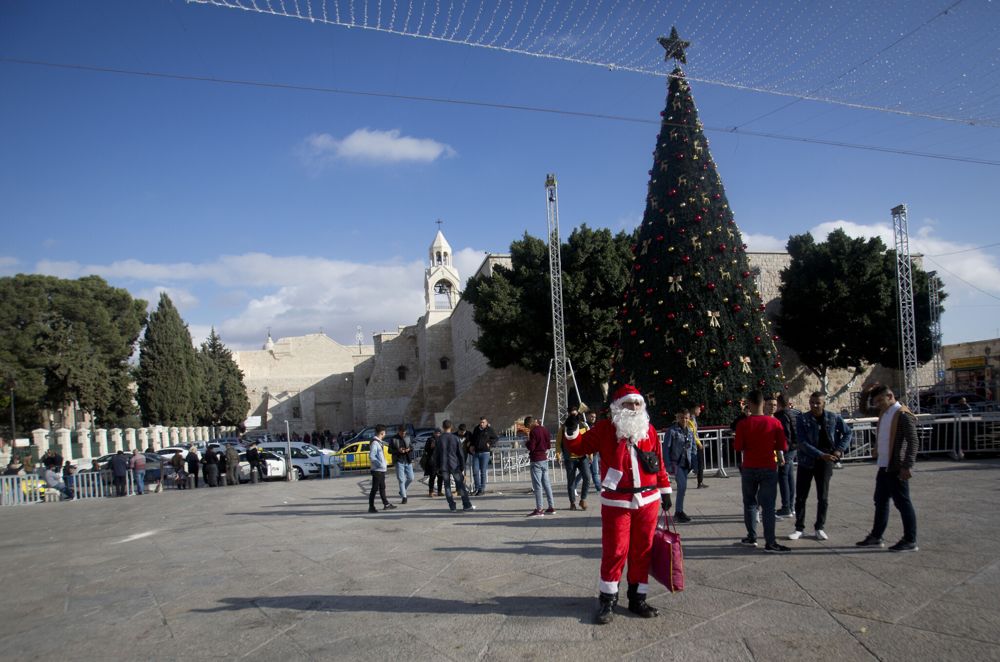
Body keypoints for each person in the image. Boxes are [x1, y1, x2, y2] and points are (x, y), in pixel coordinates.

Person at [564, 384, 672, 624]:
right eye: (628, 403)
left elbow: (659, 464)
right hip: (617, 502)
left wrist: (665, 490)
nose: (633, 408)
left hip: (648, 500)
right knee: (615, 551)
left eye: (637, 403)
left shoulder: (649, 431)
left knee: (642, 551)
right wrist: (571, 430)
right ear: (617, 407)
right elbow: (578, 447)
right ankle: (608, 600)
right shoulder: (604, 430)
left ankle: (637, 599)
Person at [856, 384, 920, 552]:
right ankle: (876, 536)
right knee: (881, 502)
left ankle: (910, 539)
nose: (877, 405)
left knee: (903, 503)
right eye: (875, 402)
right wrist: (866, 393)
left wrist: (907, 465)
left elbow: (913, 441)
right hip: (884, 465)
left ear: (890, 396)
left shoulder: (903, 415)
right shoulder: (884, 412)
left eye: (879, 401)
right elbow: (864, 409)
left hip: (896, 466)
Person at [789, 392, 853, 541]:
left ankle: (819, 527)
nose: (814, 405)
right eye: (812, 402)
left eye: (817, 403)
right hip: (807, 461)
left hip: (826, 461)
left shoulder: (833, 417)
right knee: (801, 496)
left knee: (822, 496)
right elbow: (802, 442)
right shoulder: (802, 419)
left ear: (824, 403)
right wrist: (819, 454)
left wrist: (839, 450)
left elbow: (847, 432)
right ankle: (799, 527)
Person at [734, 390, 790, 553]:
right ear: (763, 403)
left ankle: (751, 536)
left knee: (750, 503)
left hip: (750, 467)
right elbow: (782, 446)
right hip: (768, 467)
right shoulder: (774, 423)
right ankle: (770, 541)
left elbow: (738, 447)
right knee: (768, 506)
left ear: (749, 403)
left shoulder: (743, 424)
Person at [434, 420, 475, 512]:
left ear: (442, 427)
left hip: (444, 465)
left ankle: (452, 506)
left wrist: (437, 467)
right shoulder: (455, 438)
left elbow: (436, 454)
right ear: (451, 427)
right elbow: (460, 454)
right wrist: (462, 466)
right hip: (454, 465)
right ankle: (466, 505)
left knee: (447, 486)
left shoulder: (439, 439)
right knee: (461, 485)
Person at [664, 406, 696, 523]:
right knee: (682, 487)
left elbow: (693, 448)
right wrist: (667, 465)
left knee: (683, 488)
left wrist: (694, 462)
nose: (684, 420)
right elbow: (666, 449)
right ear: (677, 418)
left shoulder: (690, 431)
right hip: (676, 463)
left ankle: (680, 510)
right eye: (682, 418)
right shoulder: (672, 431)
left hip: (686, 463)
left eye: (687, 418)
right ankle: (678, 512)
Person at [558, 406, 591, 510]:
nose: (574, 415)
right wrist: (558, 454)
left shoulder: (584, 426)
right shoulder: (563, 427)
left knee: (587, 477)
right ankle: (572, 502)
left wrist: (590, 454)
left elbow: (588, 441)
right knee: (571, 481)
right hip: (569, 458)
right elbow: (559, 442)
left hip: (582, 457)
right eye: (572, 413)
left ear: (578, 413)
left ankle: (583, 499)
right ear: (568, 414)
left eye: (575, 413)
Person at [524, 416, 556, 517]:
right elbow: (549, 446)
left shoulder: (533, 432)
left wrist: (527, 442)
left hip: (536, 460)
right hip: (544, 459)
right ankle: (551, 507)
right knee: (547, 484)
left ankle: (539, 509)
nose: (528, 429)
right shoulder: (544, 429)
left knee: (537, 486)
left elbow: (531, 447)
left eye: (528, 427)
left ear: (529, 424)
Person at [774, 394, 799, 518]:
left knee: (783, 477)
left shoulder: (782, 416)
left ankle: (786, 507)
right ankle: (791, 506)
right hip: (793, 448)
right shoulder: (791, 413)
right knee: (789, 476)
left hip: (787, 449)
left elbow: (786, 434)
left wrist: (782, 451)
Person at [368, 425, 396, 513]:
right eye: (384, 432)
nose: (385, 434)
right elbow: (372, 456)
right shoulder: (375, 443)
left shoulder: (379, 442)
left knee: (382, 487)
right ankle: (371, 507)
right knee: (375, 489)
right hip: (377, 470)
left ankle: (386, 504)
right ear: (382, 433)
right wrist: (380, 464)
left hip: (381, 470)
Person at [469, 416, 498, 496]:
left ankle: (482, 489)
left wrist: (490, 443)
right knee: (475, 471)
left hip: (485, 452)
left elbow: (495, 438)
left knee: (483, 471)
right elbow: (473, 439)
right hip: (476, 452)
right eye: (481, 422)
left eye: (483, 422)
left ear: (486, 422)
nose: (482, 424)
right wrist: (471, 445)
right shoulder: (476, 429)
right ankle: (477, 488)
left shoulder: (489, 430)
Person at [389, 425, 414, 504]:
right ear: (399, 431)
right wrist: (398, 451)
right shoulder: (393, 439)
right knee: (401, 480)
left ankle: (402, 490)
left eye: (404, 432)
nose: (403, 434)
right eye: (402, 432)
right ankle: (404, 497)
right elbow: (389, 450)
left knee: (411, 478)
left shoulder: (408, 437)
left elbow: (412, 447)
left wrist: (408, 449)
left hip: (407, 460)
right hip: (399, 461)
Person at [689, 405, 708, 489]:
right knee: (699, 462)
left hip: (693, 443)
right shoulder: (691, 419)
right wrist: (699, 443)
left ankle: (700, 481)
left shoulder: (692, 418)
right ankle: (700, 482)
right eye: (699, 410)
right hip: (694, 444)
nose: (700, 411)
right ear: (695, 410)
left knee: (695, 462)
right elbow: (693, 433)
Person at [421, 429, 444, 497]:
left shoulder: (442, 440)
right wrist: (431, 447)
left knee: (440, 477)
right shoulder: (430, 440)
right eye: (436, 433)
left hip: (440, 461)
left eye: (438, 433)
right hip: (432, 461)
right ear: (434, 433)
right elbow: (426, 449)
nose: (437, 434)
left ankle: (439, 491)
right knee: (432, 477)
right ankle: (431, 491)